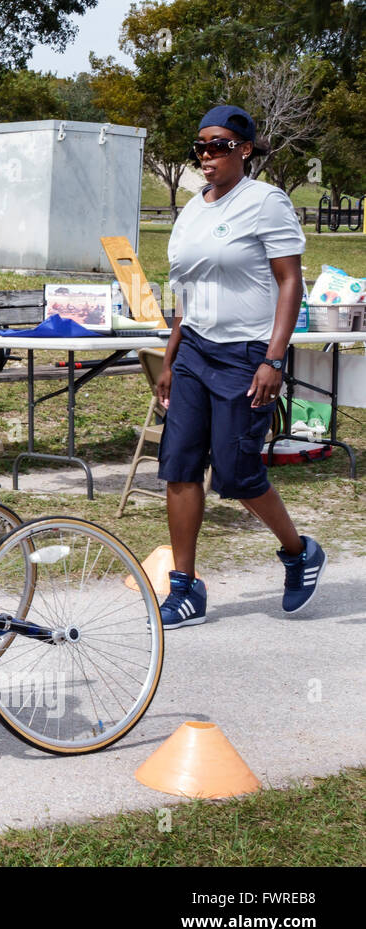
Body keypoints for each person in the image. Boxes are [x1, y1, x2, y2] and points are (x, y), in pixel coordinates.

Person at [157, 104, 326, 629]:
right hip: (194, 352)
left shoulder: (266, 203)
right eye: (200, 146)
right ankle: (185, 587)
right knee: (179, 465)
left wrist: (275, 358)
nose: (206, 155)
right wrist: (170, 355)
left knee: (236, 473)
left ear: (245, 150)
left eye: (219, 145)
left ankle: (299, 551)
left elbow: (290, 282)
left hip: (246, 354)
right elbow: (186, 290)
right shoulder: (190, 208)